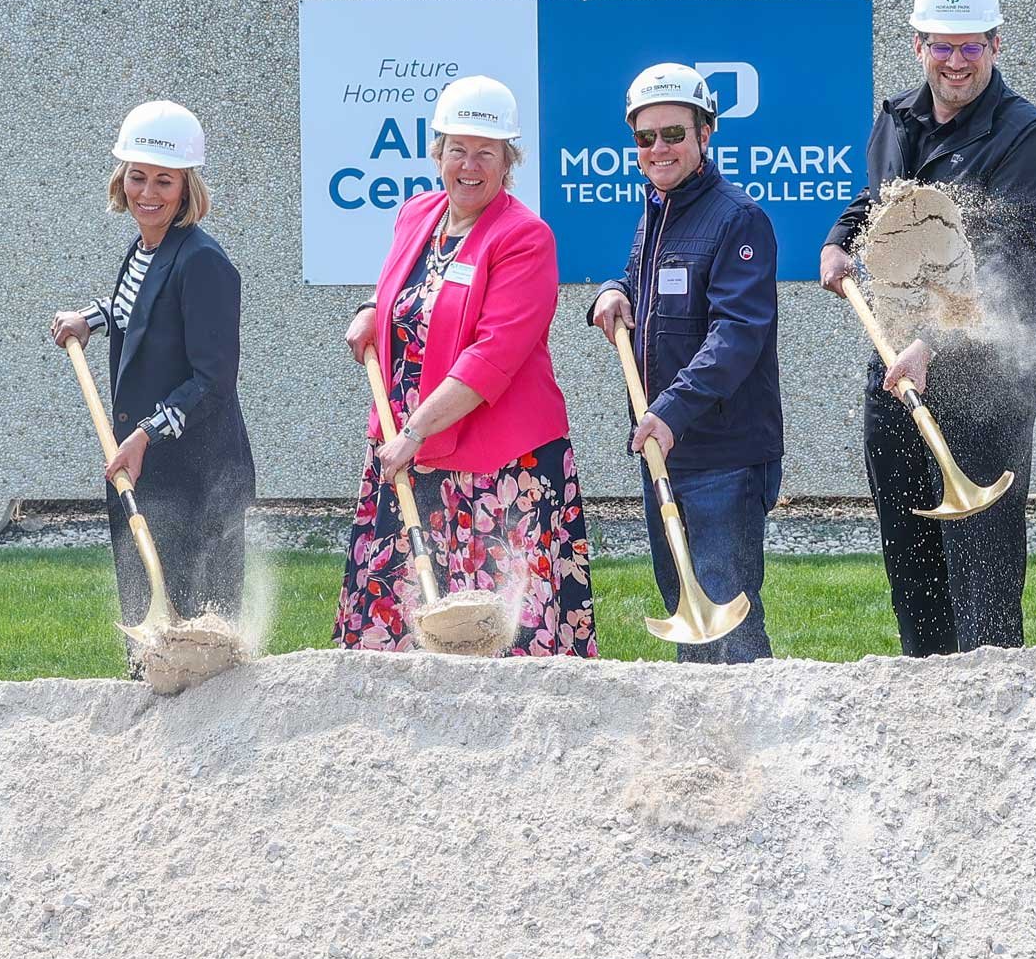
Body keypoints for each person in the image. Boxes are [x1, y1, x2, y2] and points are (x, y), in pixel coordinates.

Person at [819, 0, 1036, 656]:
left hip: (983, 383)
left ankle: (992, 710)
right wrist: (841, 241)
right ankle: (925, 704)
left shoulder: (1028, 136)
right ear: (917, 46)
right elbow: (879, 202)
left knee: (980, 568)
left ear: (995, 44)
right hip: (897, 365)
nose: (955, 61)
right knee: (912, 560)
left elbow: (1008, 260)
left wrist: (933, 340)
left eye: (970, 46)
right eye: (941, 45)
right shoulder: (897, 117)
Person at [335, 74, 598, 658]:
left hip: (501, 469)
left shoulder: (525, 237)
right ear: (438, 153)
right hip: (414, 454)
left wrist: (413, 431)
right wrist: (372, 311)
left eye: (487, 152)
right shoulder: (418, 215)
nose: (470, 164)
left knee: (503, 636)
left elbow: (491, 355)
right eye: (458, 149)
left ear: (510, 161)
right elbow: (412, 296)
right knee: (397, 623)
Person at [586, 64, 782, 663]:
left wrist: (669, 411)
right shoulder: (657, 211)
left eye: (674, 134)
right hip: (666, 450)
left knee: (729, 623)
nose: (659, 148)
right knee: (688, 615)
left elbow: (738, 333)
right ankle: (702, 746)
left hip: (721, 457)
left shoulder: (736, 218)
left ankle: (758, 740)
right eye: (645, 138)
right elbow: (652, 287)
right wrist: (614, 290)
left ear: (706, 133)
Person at [48, 100, 256, 624]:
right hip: (147, 466)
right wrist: (90, 319)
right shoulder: (145, 247)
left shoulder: (204, 260)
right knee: (147, 619)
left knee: (195, 628)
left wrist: (142, 436)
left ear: (187, 187)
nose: (148, 193)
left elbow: (212, 382)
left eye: (165, 181)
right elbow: (141, 311)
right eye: (138, 178)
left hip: (196, 475)